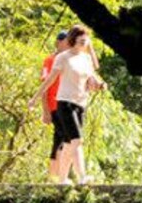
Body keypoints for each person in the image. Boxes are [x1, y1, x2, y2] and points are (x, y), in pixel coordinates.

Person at [32, 25, 107, 185]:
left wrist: (100, 84)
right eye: (81, 40)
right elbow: (49, 80)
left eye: (86, 40)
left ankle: (63, 179)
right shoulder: (63, 57)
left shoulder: (86, 58)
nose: (85, 42)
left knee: (67, 144)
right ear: (73, 40)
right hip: (65, 103)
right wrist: (35, 98)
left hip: (81, 103)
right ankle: (82, 177)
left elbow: (92, 77)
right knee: (76, 141)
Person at [41, 30, 69, 178]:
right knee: (66, 137)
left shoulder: (69, 61)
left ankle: (54, 175)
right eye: (66, 41)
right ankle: (59, 175)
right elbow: (44, 86)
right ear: (58, 42)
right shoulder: (49, 61)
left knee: (60, 138)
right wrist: (45, 110)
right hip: (54, 104)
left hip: (66, 104)